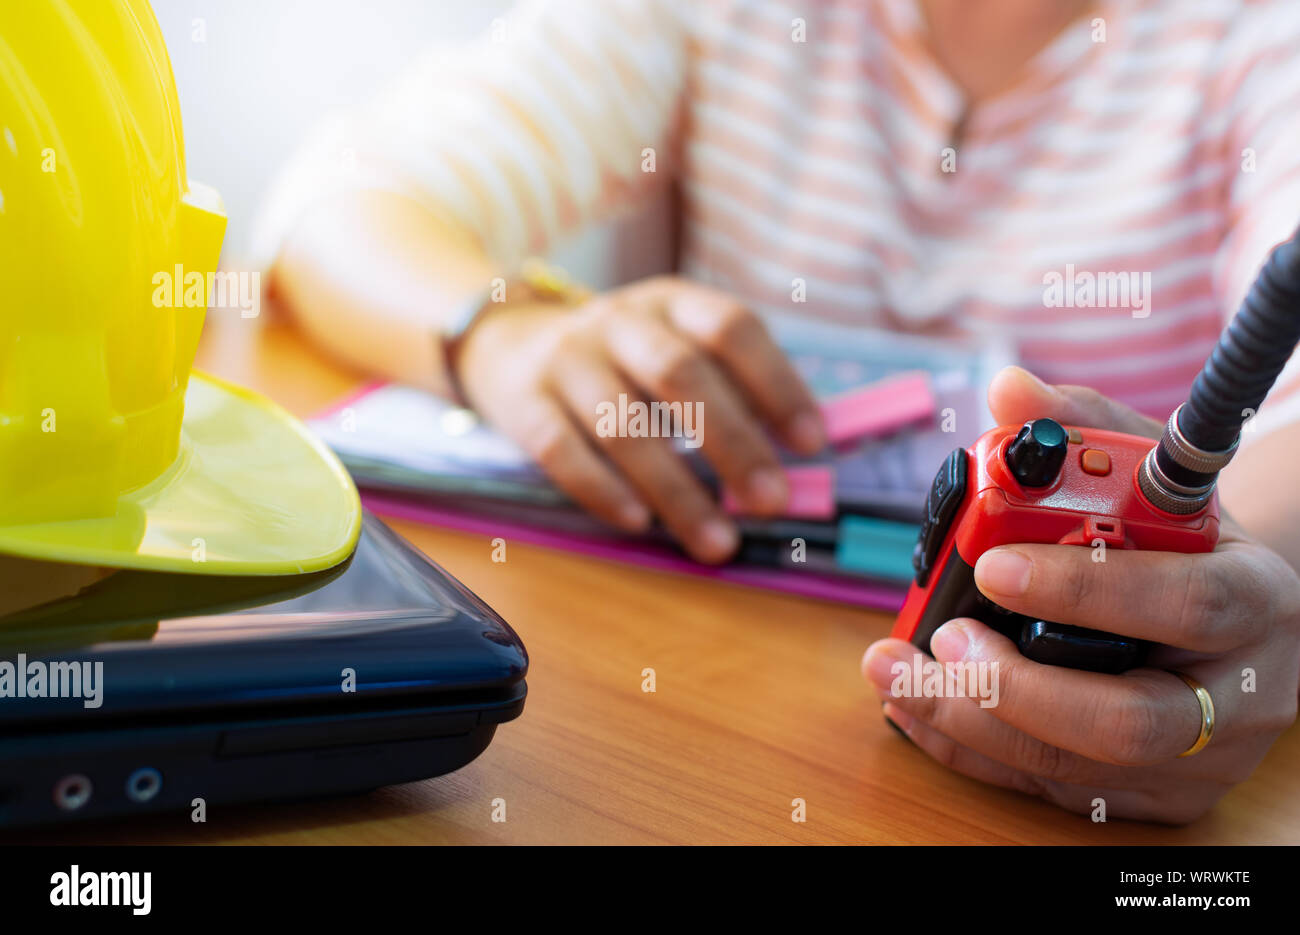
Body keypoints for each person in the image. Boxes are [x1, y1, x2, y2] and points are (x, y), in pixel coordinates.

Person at [253, 0, 1300, 823]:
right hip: (729, 729)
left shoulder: (1254, 37)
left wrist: (1237, 599)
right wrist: (504, 329)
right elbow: (336, 204)